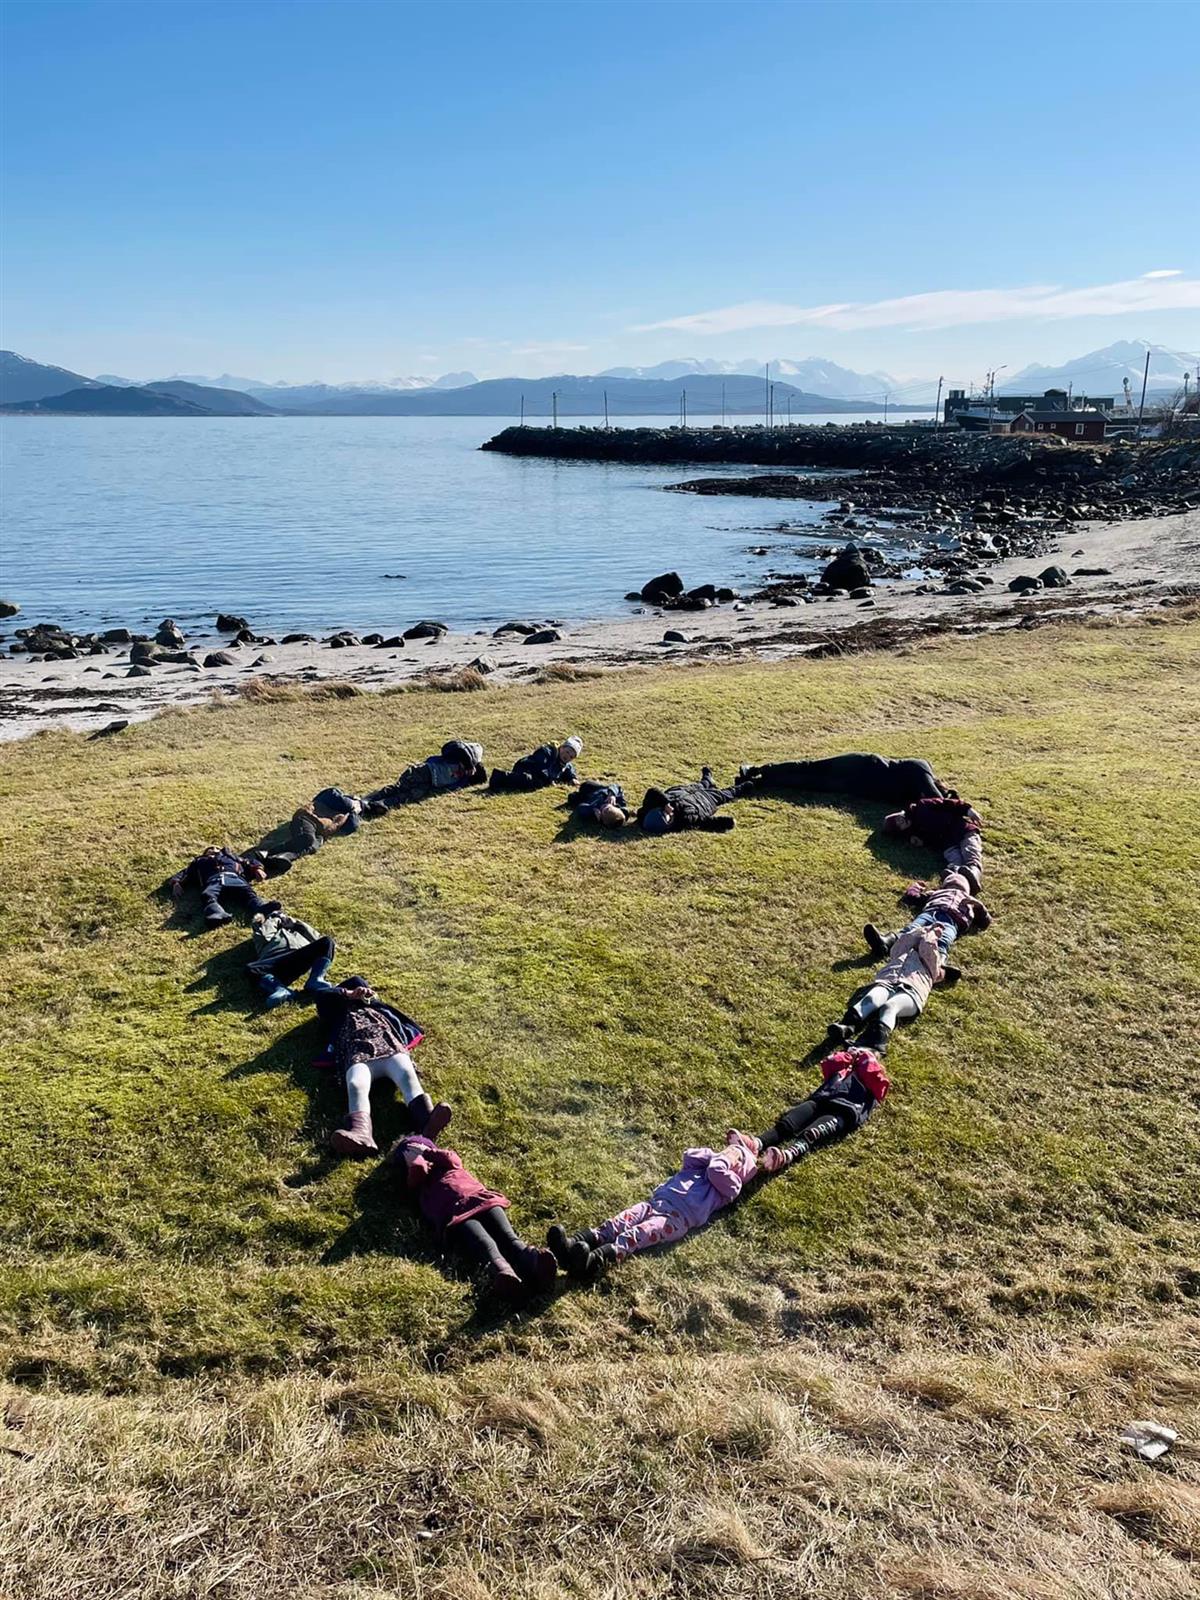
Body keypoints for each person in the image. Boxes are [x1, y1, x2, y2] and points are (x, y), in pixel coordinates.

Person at [547, 1131, 760, 1280]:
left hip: (675, 1220)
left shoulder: (732, 1185)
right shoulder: (707, 1164)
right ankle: (571, 1246)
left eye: (737, 1155)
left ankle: (592, 1262)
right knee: (617, 1223)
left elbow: (716, 1171)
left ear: (742, 1168)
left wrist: (727, 1158)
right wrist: (719, 1154)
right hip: (655, 1202)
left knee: (634, 1235)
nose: (729, 1153)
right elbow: (689, 1155)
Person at [387, 1133, 558, 1301]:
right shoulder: (418, 1184)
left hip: (480, 1199)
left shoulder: (448, 1164)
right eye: (410, 1151)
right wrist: (415, 1159)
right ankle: (503, 1273)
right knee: (485, 1243)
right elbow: (417, 1172)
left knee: (508, 1236)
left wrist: (426, 1152)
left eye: (419, 1147)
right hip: (456, 1214)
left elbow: (451, 1157)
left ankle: (535, 1261)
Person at [308, 974, 450, 1158]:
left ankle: (426, 1119)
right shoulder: (337, 1015)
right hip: (358, 1053)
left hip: (389, 1047)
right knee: (356, 1084)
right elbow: (321, 995)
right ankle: (361, 1133)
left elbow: (373, 996)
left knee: (406, 1074)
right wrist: (347, 993)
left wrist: (366, 995)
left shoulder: (376, 1009)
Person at [754, 1046, 891, 1174]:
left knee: (813, 1133)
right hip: (820, 1101)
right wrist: (848, 1056)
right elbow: (829, 1063)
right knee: (789, 1121)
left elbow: (876, 1079)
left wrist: (867, 1057)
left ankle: (787, 1155)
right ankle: (758, 1142)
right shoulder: (844, 1070)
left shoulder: (874, 1082)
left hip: (843, 1111)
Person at [827, 920, 946, 1055]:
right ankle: (847, 1025)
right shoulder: (900, 953)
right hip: (887, 981)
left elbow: (928, 948)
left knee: (890, 1007)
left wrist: (933, 933)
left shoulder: (931, 966)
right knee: (871, 998)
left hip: (913, 991)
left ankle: (875, 1044)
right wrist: (920, 931)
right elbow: (902, 942)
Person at [864, 869, 991, 968]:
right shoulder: (936, 893)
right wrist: (917, 887)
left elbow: (985, 922)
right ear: (945, 885)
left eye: (959, 884)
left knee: (944, 940)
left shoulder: (971, 901)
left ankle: (939, 964)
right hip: (930, 913)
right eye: (951, 883)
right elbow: (913, 897)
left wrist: (979, 907)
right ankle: (886, 943)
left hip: (952, 921)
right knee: (912, 929)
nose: (954, 886)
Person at [739, 753, 952, 806]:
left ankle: (758, 782)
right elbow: (938, 800)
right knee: (812, 768)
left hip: (858, 785)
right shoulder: (922, 768)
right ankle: (758, 770)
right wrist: (959, 806)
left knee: (809, 781)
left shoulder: (913, 798)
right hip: (864, 764)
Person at [882, 796, 983, 891]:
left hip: (963, 830)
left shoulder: (922, 806)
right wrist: (923, 842)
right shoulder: (915, 835)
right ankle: (958, 879)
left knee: (970, 851)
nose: (901, 822)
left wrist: (967, 810)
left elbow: (948, 803)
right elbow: (932, 841)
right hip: (947, 844)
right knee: (954, 859)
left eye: (898, 818)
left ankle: (974, 874)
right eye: (898, 825)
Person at [246, 906, 336, 1008]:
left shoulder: (297, 929)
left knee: (327, 941)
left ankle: (316, 979)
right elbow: (263, 935)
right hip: (275, 960)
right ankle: (279, 989)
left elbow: (315, 937)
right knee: (251, 968)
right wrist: (274, 919)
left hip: (298, 956)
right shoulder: (262, 930)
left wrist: (295, 924)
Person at [365, 740, 487, 811]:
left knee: (409, 796)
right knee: (399, 788)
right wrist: (469, 764)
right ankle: (366, 800)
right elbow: (456, 747)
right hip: (423, 772)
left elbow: (481, 778)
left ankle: (380, 805)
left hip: (429, 785)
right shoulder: (454, 754)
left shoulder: (462, 780)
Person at [170, 846, 270, 926]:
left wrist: (258, 869)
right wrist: (176, 883)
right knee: (208, 895)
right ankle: (216, 914)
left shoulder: (231, 857)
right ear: (205, 853)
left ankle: (262, 908)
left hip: (235, 878)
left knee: (248, 893)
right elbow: (185, 873)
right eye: (210, 849)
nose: (214, 850)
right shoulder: (199, 862)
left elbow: (248, 862)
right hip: (213, 880)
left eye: (217, 848)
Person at [636, 767, 754, 835]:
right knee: (727, 793)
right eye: (668, 816)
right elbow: (704, 822)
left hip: (685, 791)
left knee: (701, 784)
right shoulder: (684, 820)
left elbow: (652, 791)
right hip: (705, 800)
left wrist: (665, 803)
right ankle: (747, 785)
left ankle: (708, 780)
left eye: (664, 811)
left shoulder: (648, 809)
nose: (670, 811)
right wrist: (726, 822)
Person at [488, 736, 583, 794]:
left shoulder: (564, 764)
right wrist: (549, 780)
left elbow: (569, 769)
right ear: (562, 747)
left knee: (538, 784)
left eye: (571, 756)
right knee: (530, 781)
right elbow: (541, 767)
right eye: (567, 752)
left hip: (540, 777)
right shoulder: (547, 751)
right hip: (526, 768)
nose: (567, 756)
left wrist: (572, 778)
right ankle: (499, 776)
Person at [565, 779, 632, 829]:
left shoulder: (595, 815)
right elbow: (616, 786)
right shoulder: (619, 802)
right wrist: (612, 794)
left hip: (587, 799)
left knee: (571, 798)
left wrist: (592, 810)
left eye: (603, 810)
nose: (603, 806)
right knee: (586, 784)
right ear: (616, 807)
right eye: (608, 807)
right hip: (598, 789)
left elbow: (580, 809)